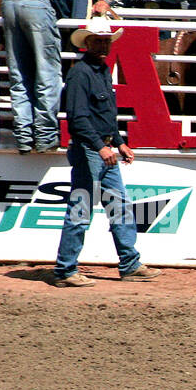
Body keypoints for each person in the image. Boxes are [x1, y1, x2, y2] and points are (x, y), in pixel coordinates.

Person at [53, 20, 161, 287]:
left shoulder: (100, 70)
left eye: (105, 40)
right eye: (98, 40)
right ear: (87, 43)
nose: (103, 45)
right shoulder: (81, 74)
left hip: (102, 149)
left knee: (118, 207)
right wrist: (102, 146)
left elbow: (105, 116)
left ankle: (129, 264)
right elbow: (77, 118)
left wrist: (119, 142)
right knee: (83, 209)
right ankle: (66, 270)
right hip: (91, 150)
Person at [0, 0, 92, 153]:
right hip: (37, 3)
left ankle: (23, 136)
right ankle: (46, 135)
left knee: (19, 73)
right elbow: (76, 26)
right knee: (48, 73)